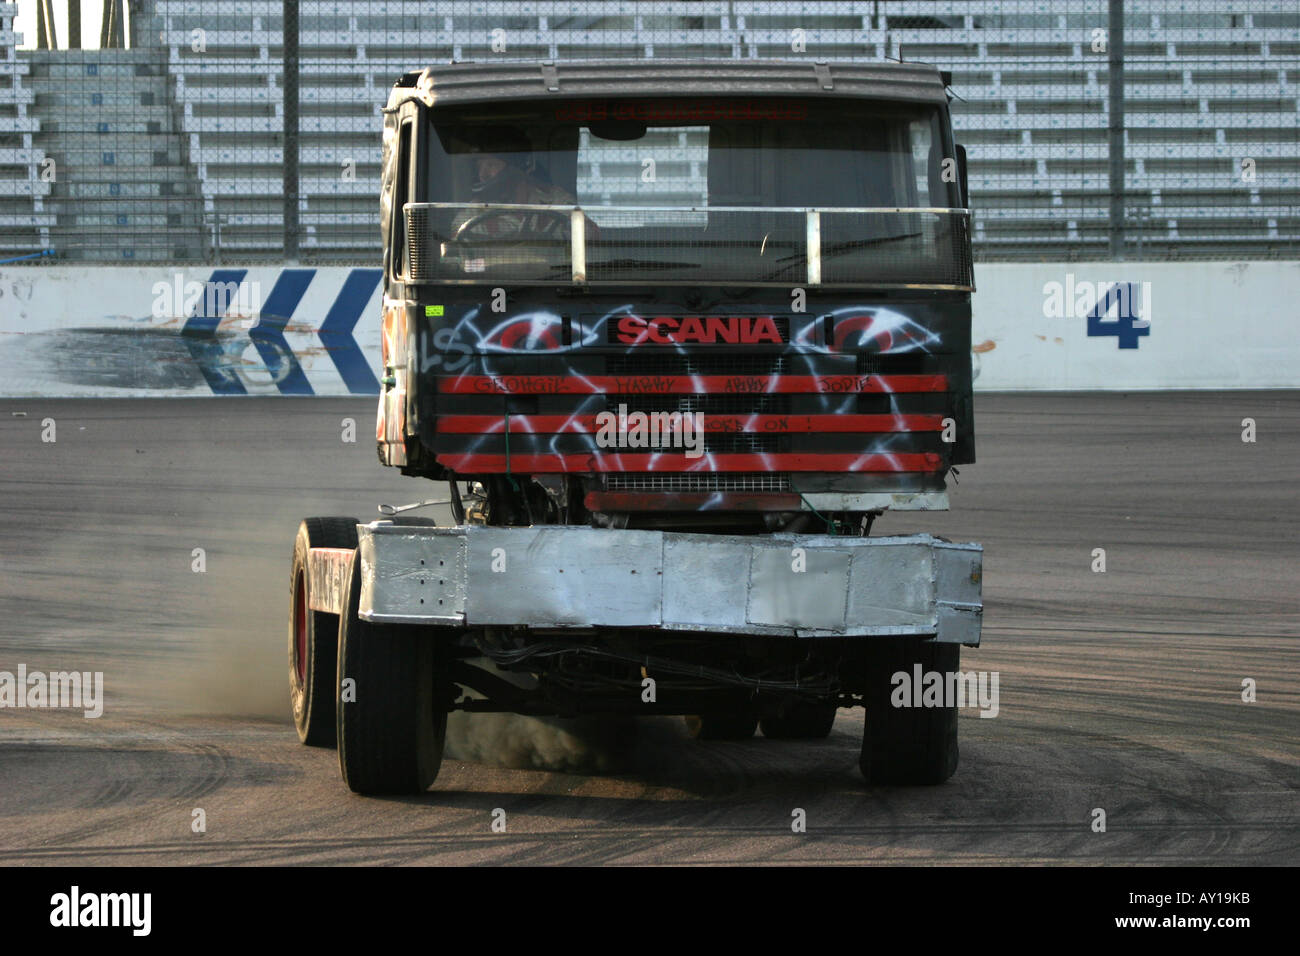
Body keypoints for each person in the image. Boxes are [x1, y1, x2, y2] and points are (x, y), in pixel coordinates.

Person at [452, 127, 598, 241]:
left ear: (517, 167)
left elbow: (590, 239)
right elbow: (456, 263)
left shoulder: (555, 200)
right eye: (479, 167)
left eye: (491, 165)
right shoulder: (471, 215)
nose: (482, 175)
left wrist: (581, 231)